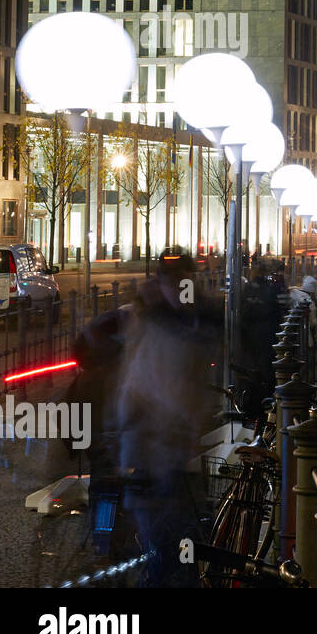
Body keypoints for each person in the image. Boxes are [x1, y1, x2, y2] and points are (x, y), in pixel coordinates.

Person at [114, 249, 223, 587]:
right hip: (152, 448)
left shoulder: (174, 319)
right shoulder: (164, 325)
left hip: (162, 448)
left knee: (171, 539)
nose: (178, 287)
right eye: (171, 280)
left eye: (182, 280)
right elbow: (158, 387)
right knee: (168, 545)